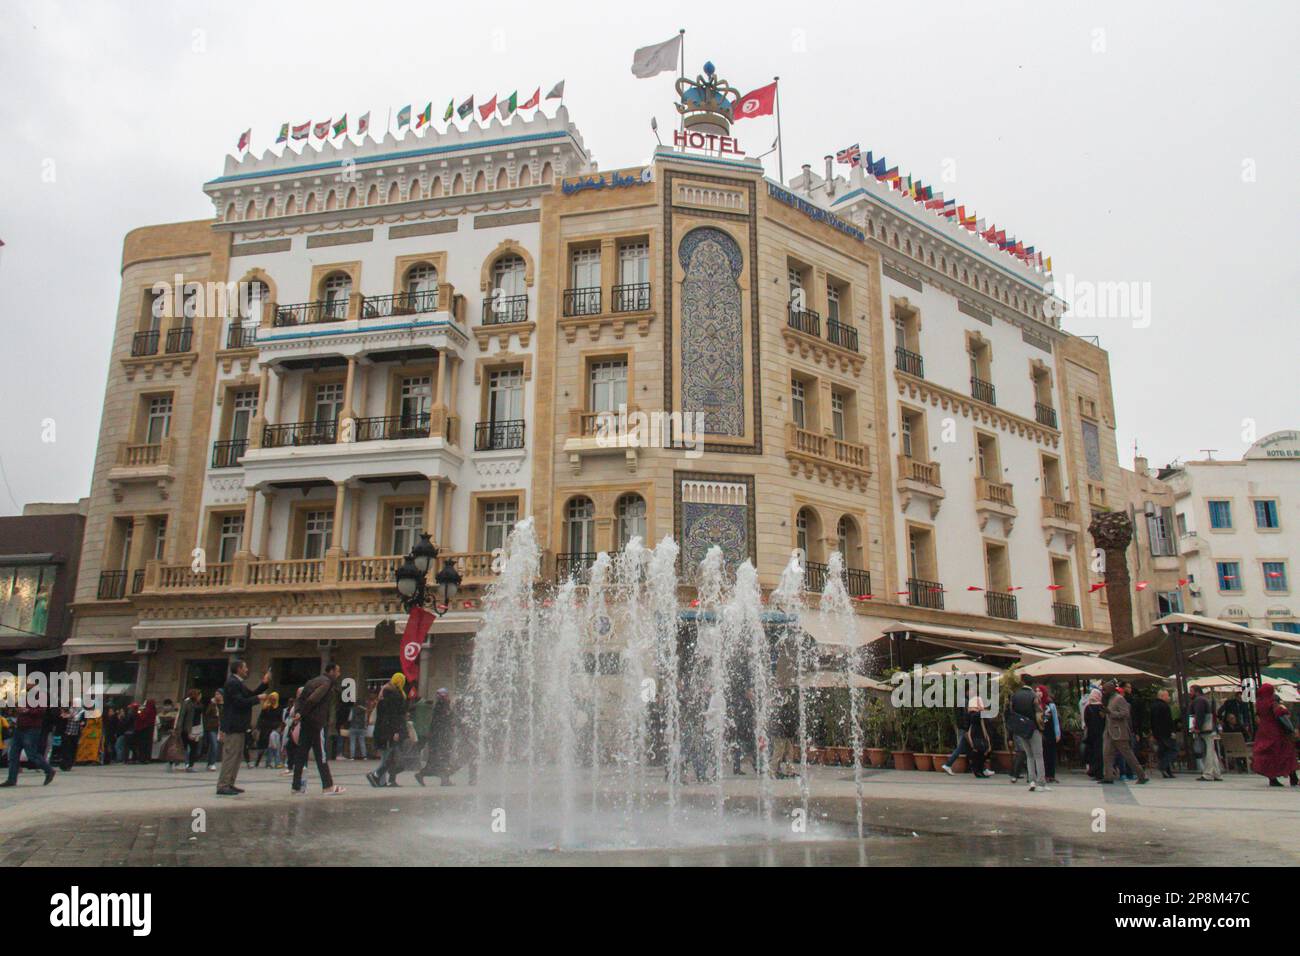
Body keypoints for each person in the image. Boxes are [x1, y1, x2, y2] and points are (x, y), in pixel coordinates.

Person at [216, 660, 271, 796]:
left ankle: (230, 783)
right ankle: (223, 785)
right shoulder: (232, 683)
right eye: (245, 667)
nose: (247, 670)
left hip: (239, 726)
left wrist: (264, 684)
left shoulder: (238, 683)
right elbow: (239, 702)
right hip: (234, 725)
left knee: (237, 756)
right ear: (239, 669)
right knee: (231, 755)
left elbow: (249, 695)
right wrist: (258, 698)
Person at [290, 662, 344, 795]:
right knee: (321, 755)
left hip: (306, 723)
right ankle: (328, 786)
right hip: (317, 723)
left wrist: (298, 713)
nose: (338, 674)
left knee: (301, 755)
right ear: (331, 671)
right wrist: (302, 713)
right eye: (337, 671)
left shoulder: (312, 681)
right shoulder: (326, 682)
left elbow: (300, 698)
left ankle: (296, 787)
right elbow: (313, 700)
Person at [1, 681, 56, 787]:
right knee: (13, 754)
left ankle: (49, 770)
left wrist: (27, 711)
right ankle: (11, 779)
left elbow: (41, 711)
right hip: (20, 727)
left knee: (31, 754)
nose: (26, 684)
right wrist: (16, 708)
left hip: (31, 728)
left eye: (28, 683)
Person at [1251, 682, 1298, 787]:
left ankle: (1272, 779)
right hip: (1275, 732)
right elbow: (1280, 714)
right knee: (1286, 753)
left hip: (1263, 731)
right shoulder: (1272, 702)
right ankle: (1293, 777)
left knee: (1268, 755)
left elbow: (1258, 716)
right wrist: (1290, 729)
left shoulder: (1258, 703)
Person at [1102, 681, 1149, 784]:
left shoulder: (1119, 699)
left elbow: (1125, 714)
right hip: (1109, 732)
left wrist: (1111, 713)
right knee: (1107, 754)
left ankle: (1141, 775)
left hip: (1119, 732)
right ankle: (1108, 776)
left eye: (1105, 689)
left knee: (1128, 755)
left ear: (1111, 689)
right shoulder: (1109, 699)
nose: (1103, 691)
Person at [367, 673, 409, 788]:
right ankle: (377, 775)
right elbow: (394, 715)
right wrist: (396, 731)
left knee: (388, 756)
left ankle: (382, 781)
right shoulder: (396, 695)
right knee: (391, 756)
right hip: (391, 731)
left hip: (382, 729)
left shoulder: (384, 694)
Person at [1007, 683, 1047, 791]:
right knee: (1038, 755)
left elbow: (1011, 713)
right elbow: (1039, 714)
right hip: (1033, 728)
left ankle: (1031, 780)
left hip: (1021, 729)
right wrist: (1041, 728)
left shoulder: (1015, 696)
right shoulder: (1033, 696)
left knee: (1029, 755)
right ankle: (1041, 782)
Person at [416, 688, 455, 787]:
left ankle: (443, 779)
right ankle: (442, 779)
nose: (448, 697)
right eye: (446, 695)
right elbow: (444, 722)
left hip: (438, 737)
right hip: (441, 737)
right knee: (442, 759)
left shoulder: (439, 706)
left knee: (438, 760)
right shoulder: (443, 706)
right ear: (444, 696)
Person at [1189, 685, 1223, 781]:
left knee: (1208, 752)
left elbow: (1199, 715)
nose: (1190, 693)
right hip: (1210, 729)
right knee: (1211, 751)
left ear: (1197, 692)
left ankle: (1208, 774)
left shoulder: (1199, 701)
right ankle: (1216, 773)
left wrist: (1196, 727)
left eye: (1191, 691)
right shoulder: (1204, 700)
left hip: (1205, 729)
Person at [1149, 689, 1178, 778]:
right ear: (1162, 696)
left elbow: (1152, 721)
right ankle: (1163, 766)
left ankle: (1167, 772)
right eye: (1167, 695)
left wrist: (1154, 733)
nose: (1168, 697)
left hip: (1157, 734)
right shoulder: (1164, 706)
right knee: (1174, 750)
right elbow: (1168, 721)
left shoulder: (1153, 706)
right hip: (1166, 733)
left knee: (1163, 752)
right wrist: (1172, 732)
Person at [1036, 685, 1061, 784]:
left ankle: (1051, 775)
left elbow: (1055, 720)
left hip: (1050, 732)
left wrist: (1057, 733)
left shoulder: (1051, 705)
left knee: (1050, 754)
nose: (1038, 693)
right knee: (1041, 754)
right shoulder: (1035, 703)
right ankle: (1043, 775)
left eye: (1040, 691)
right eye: (1037, 691)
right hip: (1039, 732)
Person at [252, 692, 281, 768]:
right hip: (264, 729)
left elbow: (280, 719)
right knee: (262, 747)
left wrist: (277, 727)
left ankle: (272, 762)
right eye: (271, 698)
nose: (272, 700)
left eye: (274, 699)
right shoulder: (266, 707)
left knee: (272, 746)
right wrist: (258, 727)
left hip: (272, 729)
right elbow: (261, 718)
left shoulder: (278, 708)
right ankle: (257, 762)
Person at [965, 697, 993, 778]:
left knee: (982, 752)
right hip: (976, 734)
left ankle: (980, 770)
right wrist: (982, 710)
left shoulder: (977, 713)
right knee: (978, 752)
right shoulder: (972, 714)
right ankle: (977, 770)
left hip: (981, 733)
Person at [133, 698, 157, 764]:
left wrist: (138, 711)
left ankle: (142, 758)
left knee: (142, 744)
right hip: (149, 729)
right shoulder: (153, 710)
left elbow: (142, 717)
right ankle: (146, 758)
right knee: (148, 744)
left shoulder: (147, 710)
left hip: (144, 729)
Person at [203, 691, 222, 770]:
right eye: (216, 694)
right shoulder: (212, 704)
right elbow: (207, 713)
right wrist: (212, 704)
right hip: (211, 727)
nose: (217, 696)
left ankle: (210, 762)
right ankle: (212, 763)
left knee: (214, 745)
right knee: (214, 744)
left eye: (219, 694)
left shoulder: (222, 704)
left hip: (220, 727)